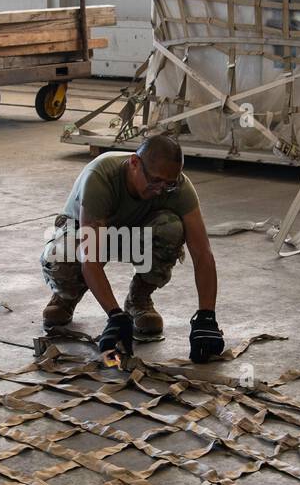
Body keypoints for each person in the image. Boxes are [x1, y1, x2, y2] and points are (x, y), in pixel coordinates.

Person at [40, 135, 224, 363]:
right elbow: (90, 258)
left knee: (172, 228)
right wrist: (114, 316)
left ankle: (139, 299)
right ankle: (66, 296)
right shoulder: (100, 176)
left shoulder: (178, 187)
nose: (160, 189)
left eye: (169, 184)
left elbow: (202, 252)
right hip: (88, 236)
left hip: (135, 236)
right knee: (62, 255)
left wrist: (207, 315)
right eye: (155, 181)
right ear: (135, 163)